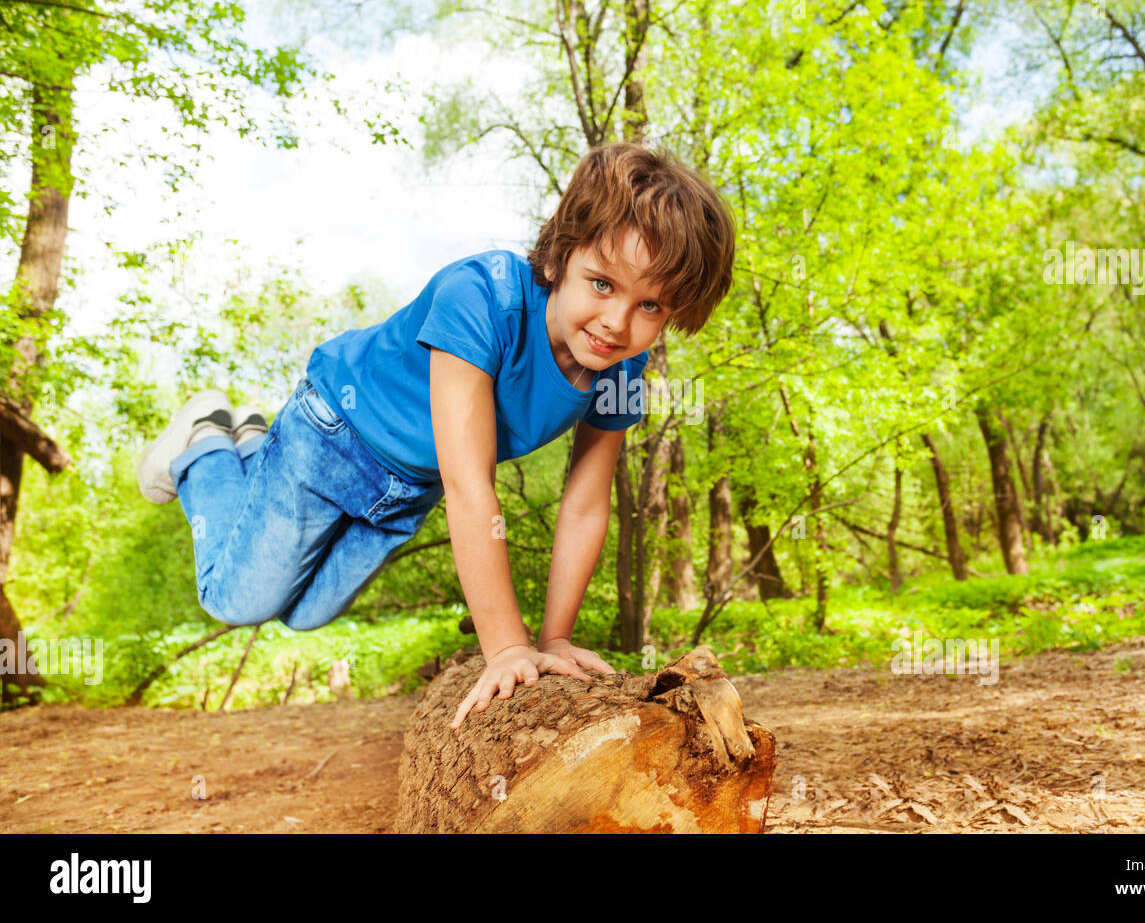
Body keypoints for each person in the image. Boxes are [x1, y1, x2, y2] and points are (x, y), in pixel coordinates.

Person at [135, 142, 736, 728]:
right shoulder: (481, 296)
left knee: (307, 613)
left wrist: (554, 638)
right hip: (332, 438)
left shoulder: (624, 369)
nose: (617, 322)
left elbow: (584, 505)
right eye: (602, 284)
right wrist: (506, 648)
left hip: (406, 489)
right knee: (234, 601)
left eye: (651, 306)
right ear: (557, 259)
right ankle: (206, 446)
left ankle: (245, 441)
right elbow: (470, 483)